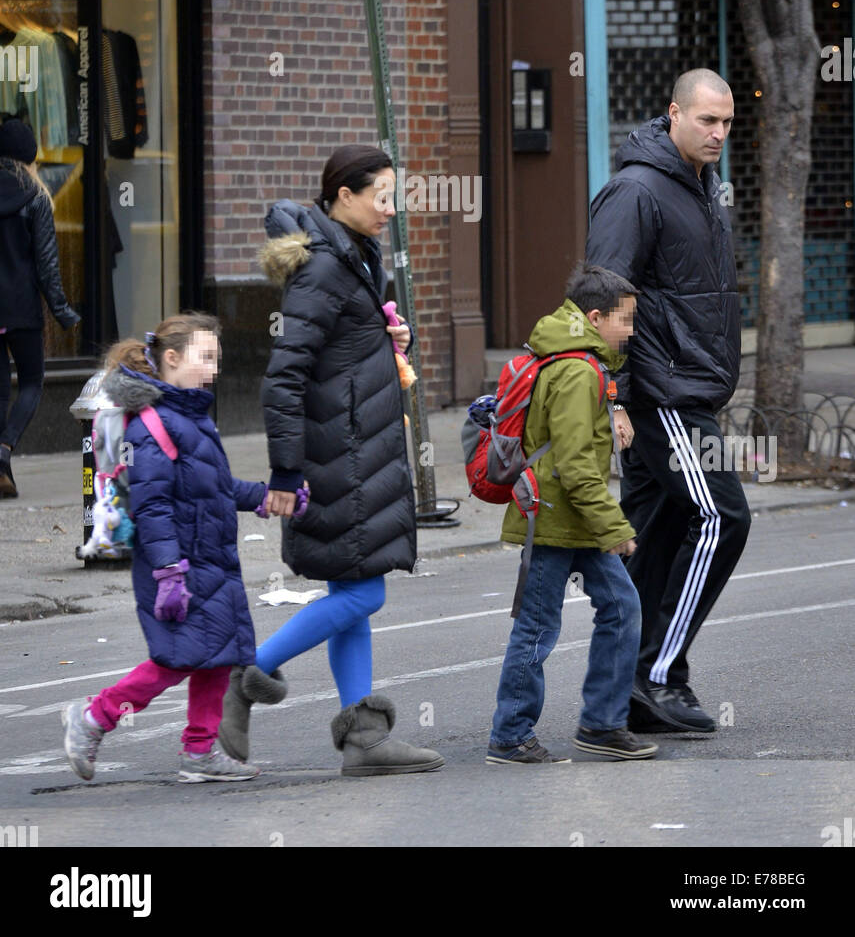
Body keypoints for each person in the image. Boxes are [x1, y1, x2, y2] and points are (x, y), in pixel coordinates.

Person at [218, 144, 444, 777]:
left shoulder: (349, 258)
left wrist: (384, 333)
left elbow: (336, 352)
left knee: (352, 586)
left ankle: (364, 741)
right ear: (344, 196)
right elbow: (282, 379)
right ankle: (250, 674)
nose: (391, 209)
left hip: (356, 449)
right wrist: (287, 473)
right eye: (382, 195)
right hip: (335, 457)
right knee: (363, 595)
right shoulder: (323, 269)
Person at [585, 68, 751, 734]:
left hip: (689, 391)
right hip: (662, 394)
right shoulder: (636, 189)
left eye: (727, 123)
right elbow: (599, 296)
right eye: (706, 120)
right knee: (720, 518)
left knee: (651, 538)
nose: (717, 134)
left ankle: (627, 687)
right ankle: (659, 673)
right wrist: (614, 398)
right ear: (672, 113)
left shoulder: (700, 186)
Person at [61, 312, 279, 784]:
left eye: (217, 358)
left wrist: (266, 497)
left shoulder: (192, 418)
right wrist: (168, 572)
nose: (214, 368)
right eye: (206, 357)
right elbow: (153, 506)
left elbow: (214, 489)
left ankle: (199, 750)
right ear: (173, 359)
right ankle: (95, 717)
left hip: (211, 561)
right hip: (179, 566)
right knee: (174, 660)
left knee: (216, 658)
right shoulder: (155, 425)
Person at [487, 263, 657, 764]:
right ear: (597, 316)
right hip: (555, 520)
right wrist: (615, 529)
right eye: (625, 321)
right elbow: (576, 463)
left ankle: (602, 724)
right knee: (538, 628)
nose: (630, 331)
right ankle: (510, 734)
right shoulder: (576, 370)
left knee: (623, 609)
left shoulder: (581, 362)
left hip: (573, 518)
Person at [0, 116, 79, 497]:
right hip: (21, 311)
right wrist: (63, 311)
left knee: (0, 391)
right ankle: (4, 451)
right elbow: (47, 266)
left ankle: (2, 469)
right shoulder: (35, 198)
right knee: (31, 381)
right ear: (30, 158)